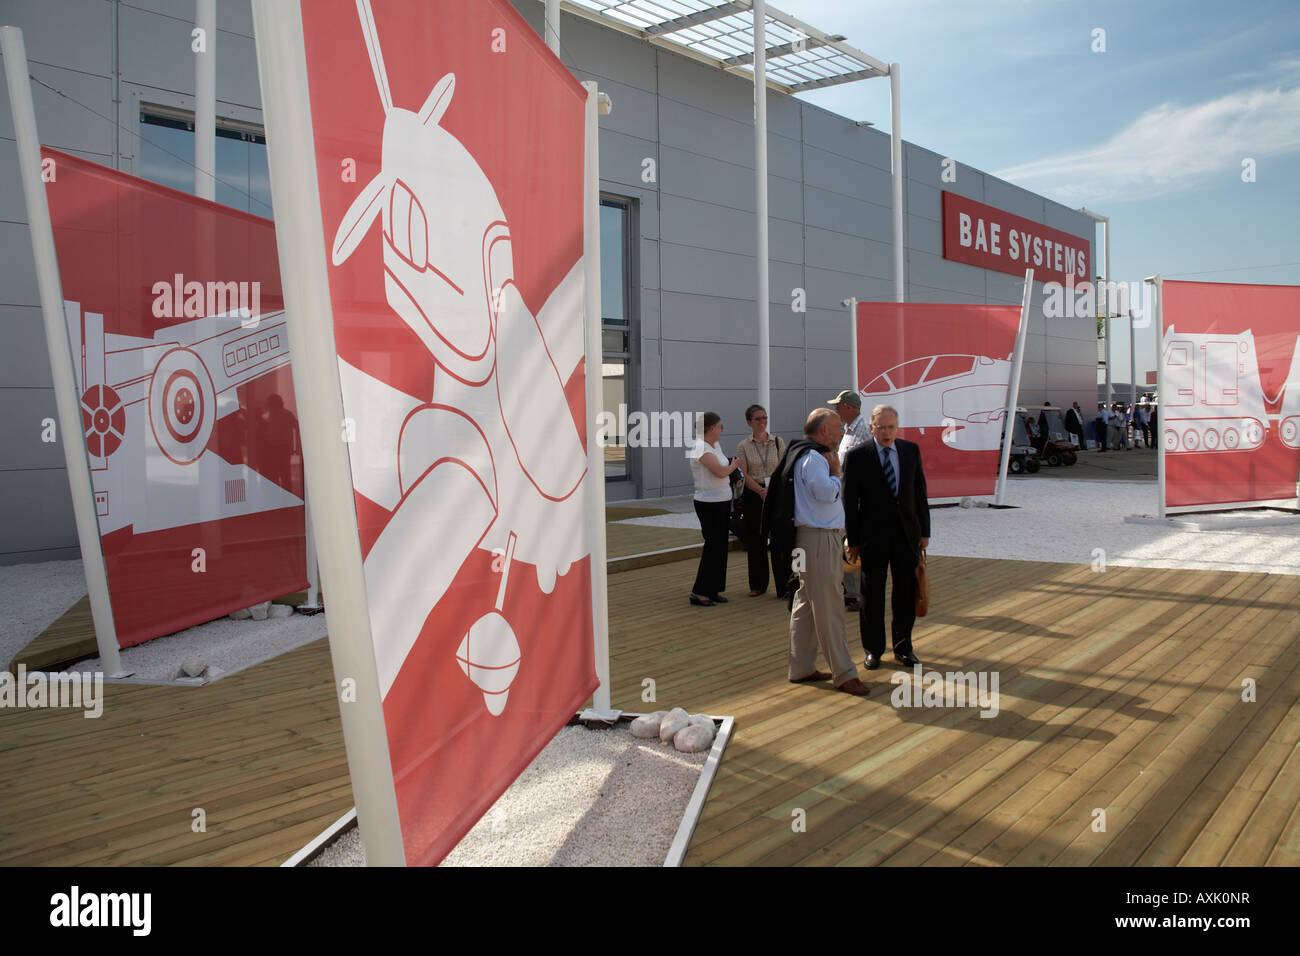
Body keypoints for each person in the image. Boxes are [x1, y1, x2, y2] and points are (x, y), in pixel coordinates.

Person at [786, 408, 870, 695]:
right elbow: (825, 493)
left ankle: (802, 667)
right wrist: (837, 474)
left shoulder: (805, 454)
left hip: (811, 538)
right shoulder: (816, 458)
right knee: (830, 606)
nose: (841, 432)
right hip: (820, 538)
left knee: (807, 603)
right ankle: (845, 673)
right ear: (823, 431)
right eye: (836, 427)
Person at [844, 404, 930, 670]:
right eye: (880, 427)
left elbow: (920, 494)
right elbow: (850, 502)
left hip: (906, 535)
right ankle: (873, 649)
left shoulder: (910, 451)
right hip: (872, 537)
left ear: (897, 427)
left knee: (905, 593)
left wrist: (925, 532)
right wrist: (854, 539)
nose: (886, 432)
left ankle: (904, 648)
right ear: (871, 428)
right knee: (872, 594)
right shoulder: (858, 456)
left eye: (891, 427)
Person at [688, 412, 739, 607]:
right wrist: (734, 466)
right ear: (711, 428)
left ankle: (714, 589)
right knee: (712, 546)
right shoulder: (700, 447)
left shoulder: (714, 445)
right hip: (708, 503)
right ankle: (700, 591)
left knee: (720, 547)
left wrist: (734, 473)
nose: (722, 430)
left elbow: (723, 468)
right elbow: (719, 471)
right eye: (720, 426)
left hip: (722, 500)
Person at [735, 404, 786, 597]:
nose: (762, 422)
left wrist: (771, 491)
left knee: (779, 541)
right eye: (758, 419)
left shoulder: (778, 442)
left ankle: (784, 586)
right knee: (756, 540)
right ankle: (757, 584)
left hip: (775, 494)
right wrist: (759, 490)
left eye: (764, 417)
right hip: (754, 494)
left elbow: (783, 469)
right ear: (749, 422)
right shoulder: (744, 446)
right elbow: (743, 473)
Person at [830, 389, 869, 611]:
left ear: (851, 407)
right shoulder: (849, 429)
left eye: (839, 405)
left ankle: (859, 593)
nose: (836, 409)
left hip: (857, 501)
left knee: (854, 545)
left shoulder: (862, 429)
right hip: (847, 499)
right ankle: (853, 593)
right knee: (848, 545)